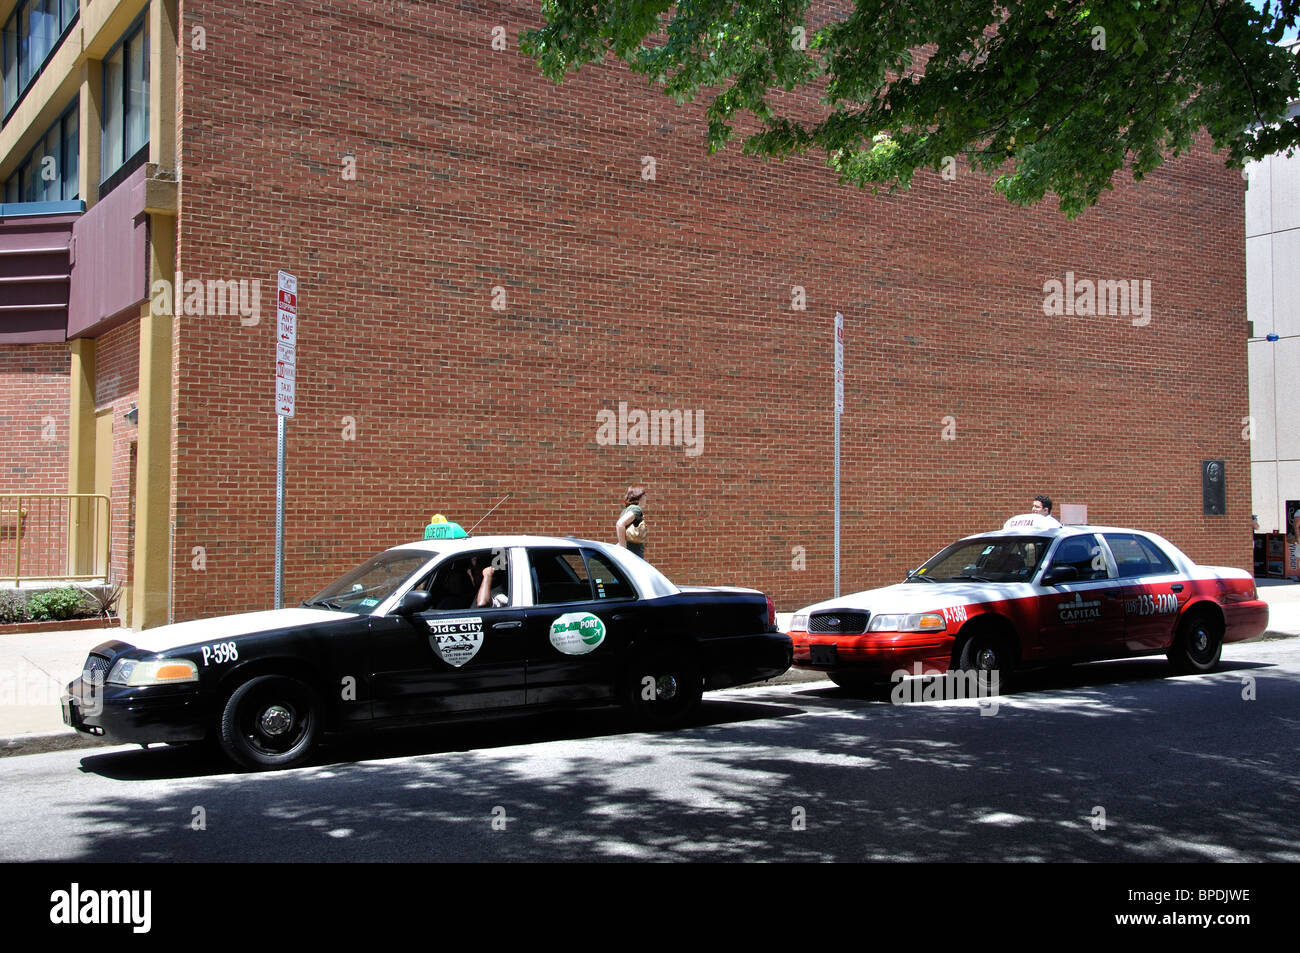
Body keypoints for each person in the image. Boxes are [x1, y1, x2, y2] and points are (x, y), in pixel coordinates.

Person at [616, 485, 648, 559]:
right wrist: (623, 549)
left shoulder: (628, 509)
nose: (646, 497)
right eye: (645, 495)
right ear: (639, 495)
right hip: (632, 553)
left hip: (631, 552)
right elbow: (620, 524)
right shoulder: (636, 509)